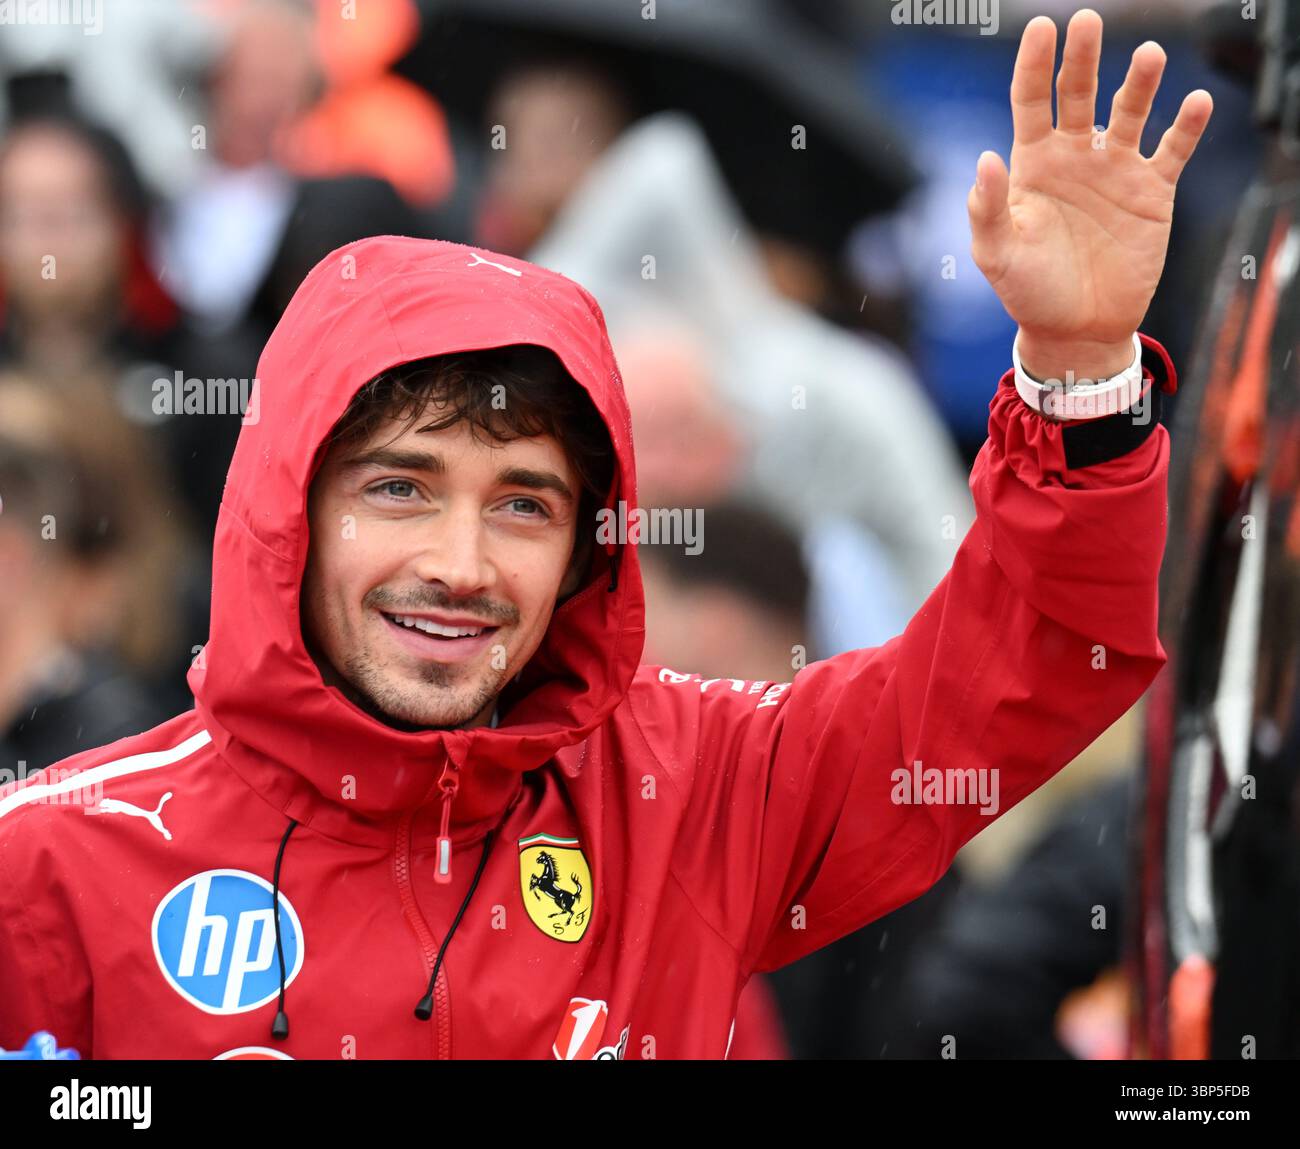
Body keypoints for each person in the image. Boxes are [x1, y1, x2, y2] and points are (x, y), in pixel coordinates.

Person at [0, 11, 1213, 1059]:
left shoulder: (687, 794)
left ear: (589, 542)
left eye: (523, 503)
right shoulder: (50, 865)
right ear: (289, 511)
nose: (460, 566)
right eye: (401, 488)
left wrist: (1077, 368)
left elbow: (1023, 672)